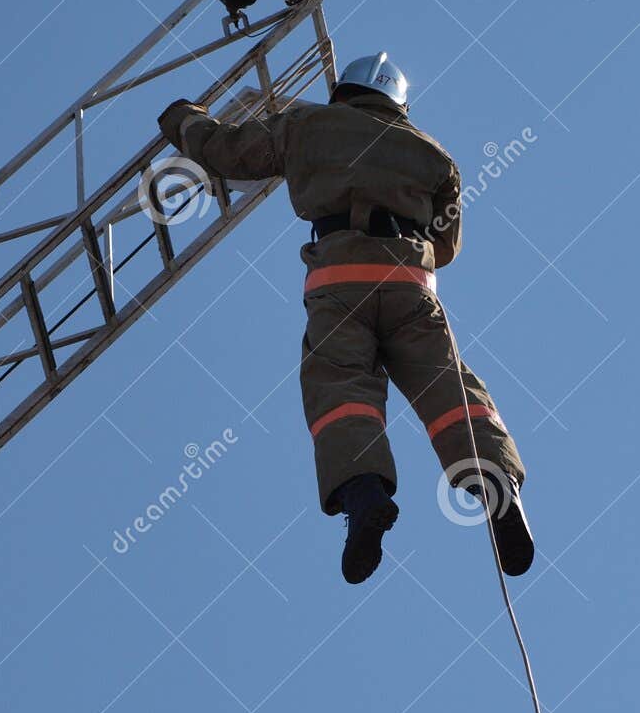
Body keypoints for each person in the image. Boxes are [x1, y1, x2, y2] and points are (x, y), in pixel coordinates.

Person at [158, 53, 533, 585]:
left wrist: (184, 119)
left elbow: (230, 153)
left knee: (340, 388)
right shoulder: (433, 155)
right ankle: (498, 487)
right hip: (411, 285)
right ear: (398, 104)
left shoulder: (308, 125)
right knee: (449, 389)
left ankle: (364, 494)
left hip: (339, 281)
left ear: (344, 92)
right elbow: (446, 246)